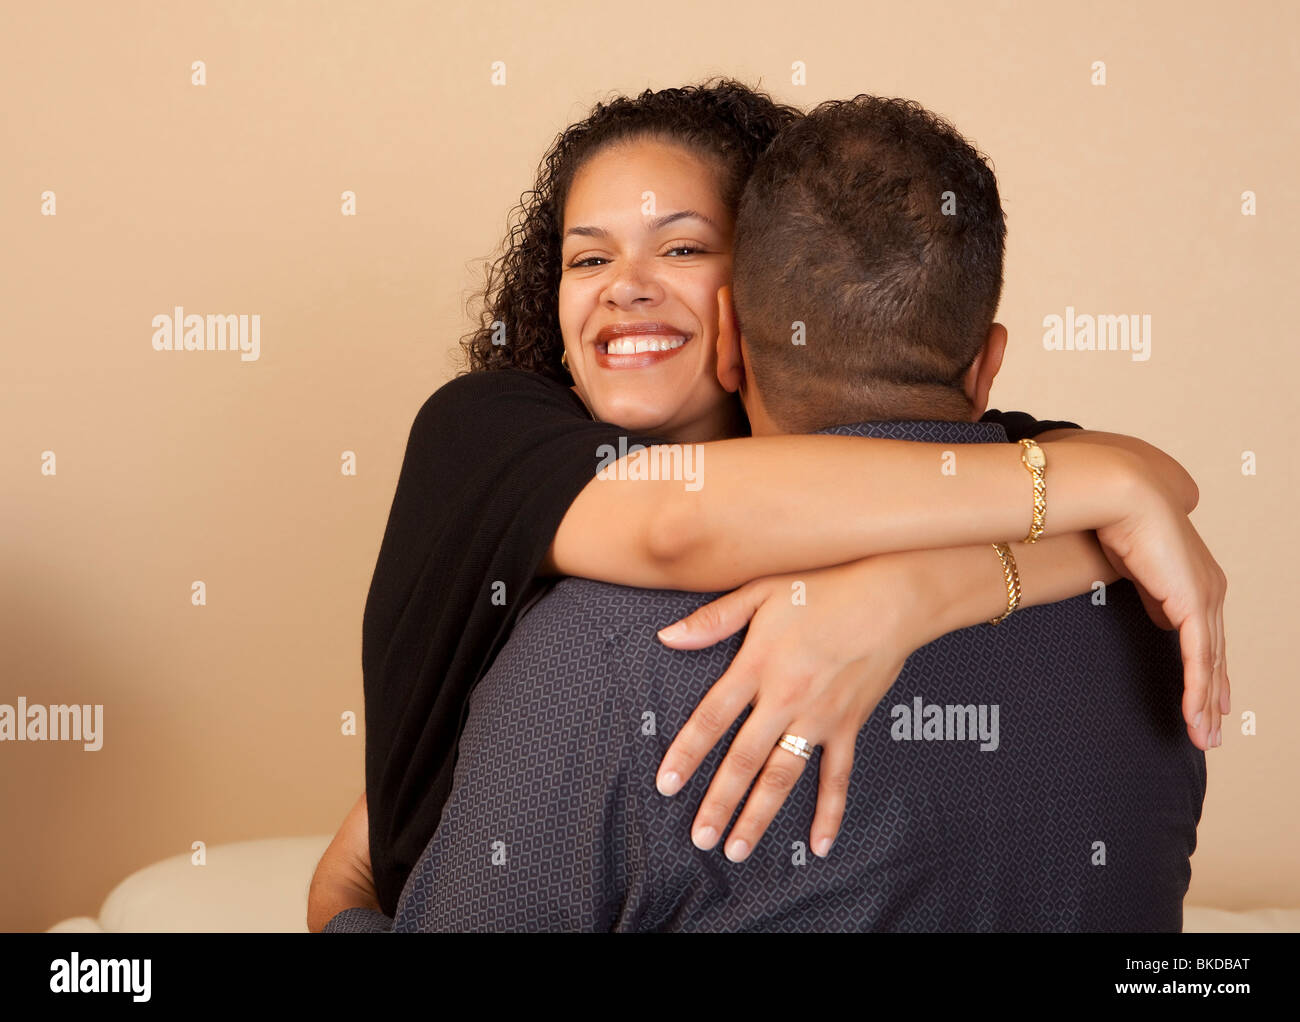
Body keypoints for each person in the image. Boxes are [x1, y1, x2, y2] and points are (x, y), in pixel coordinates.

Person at [307, 80, 1226, 929]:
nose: (627, 284)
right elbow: (677, 522)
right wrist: (1102, 496)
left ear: (748, 311)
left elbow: (1128, 484)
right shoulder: (487, 433)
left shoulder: (599, 657)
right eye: (588, 256)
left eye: (682, 246)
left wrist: (915, 596)